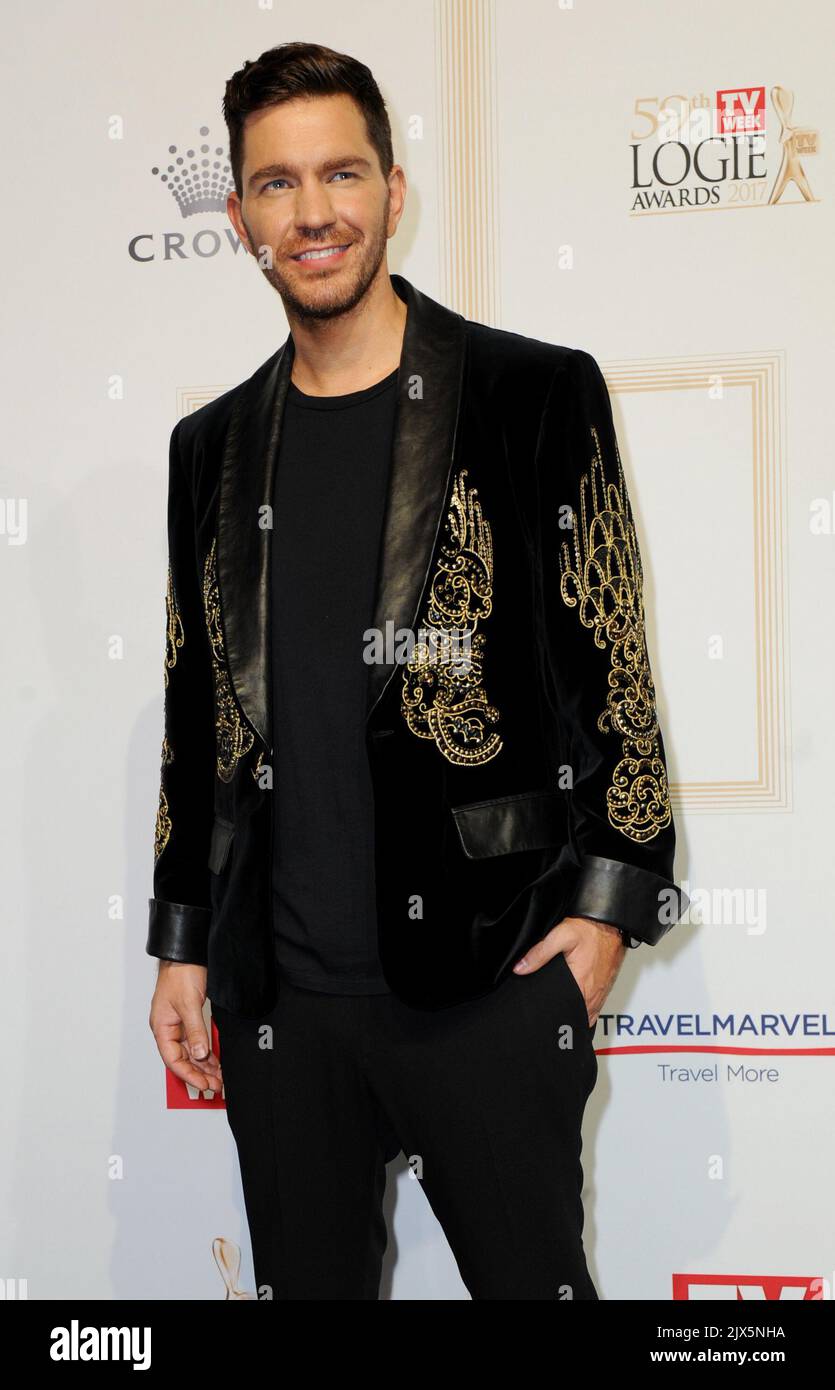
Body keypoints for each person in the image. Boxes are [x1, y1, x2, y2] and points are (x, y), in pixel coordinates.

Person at [147, 41, 688, 1300]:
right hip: (282, 998)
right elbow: (194, 707)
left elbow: (613, 660)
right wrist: (182, 939)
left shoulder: (529, 394)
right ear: (238, 219)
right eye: (276, 185)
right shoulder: (208, 449)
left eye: (340, 173)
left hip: (489, 980)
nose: (313, 211)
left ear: (394, 188)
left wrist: (608, 912)